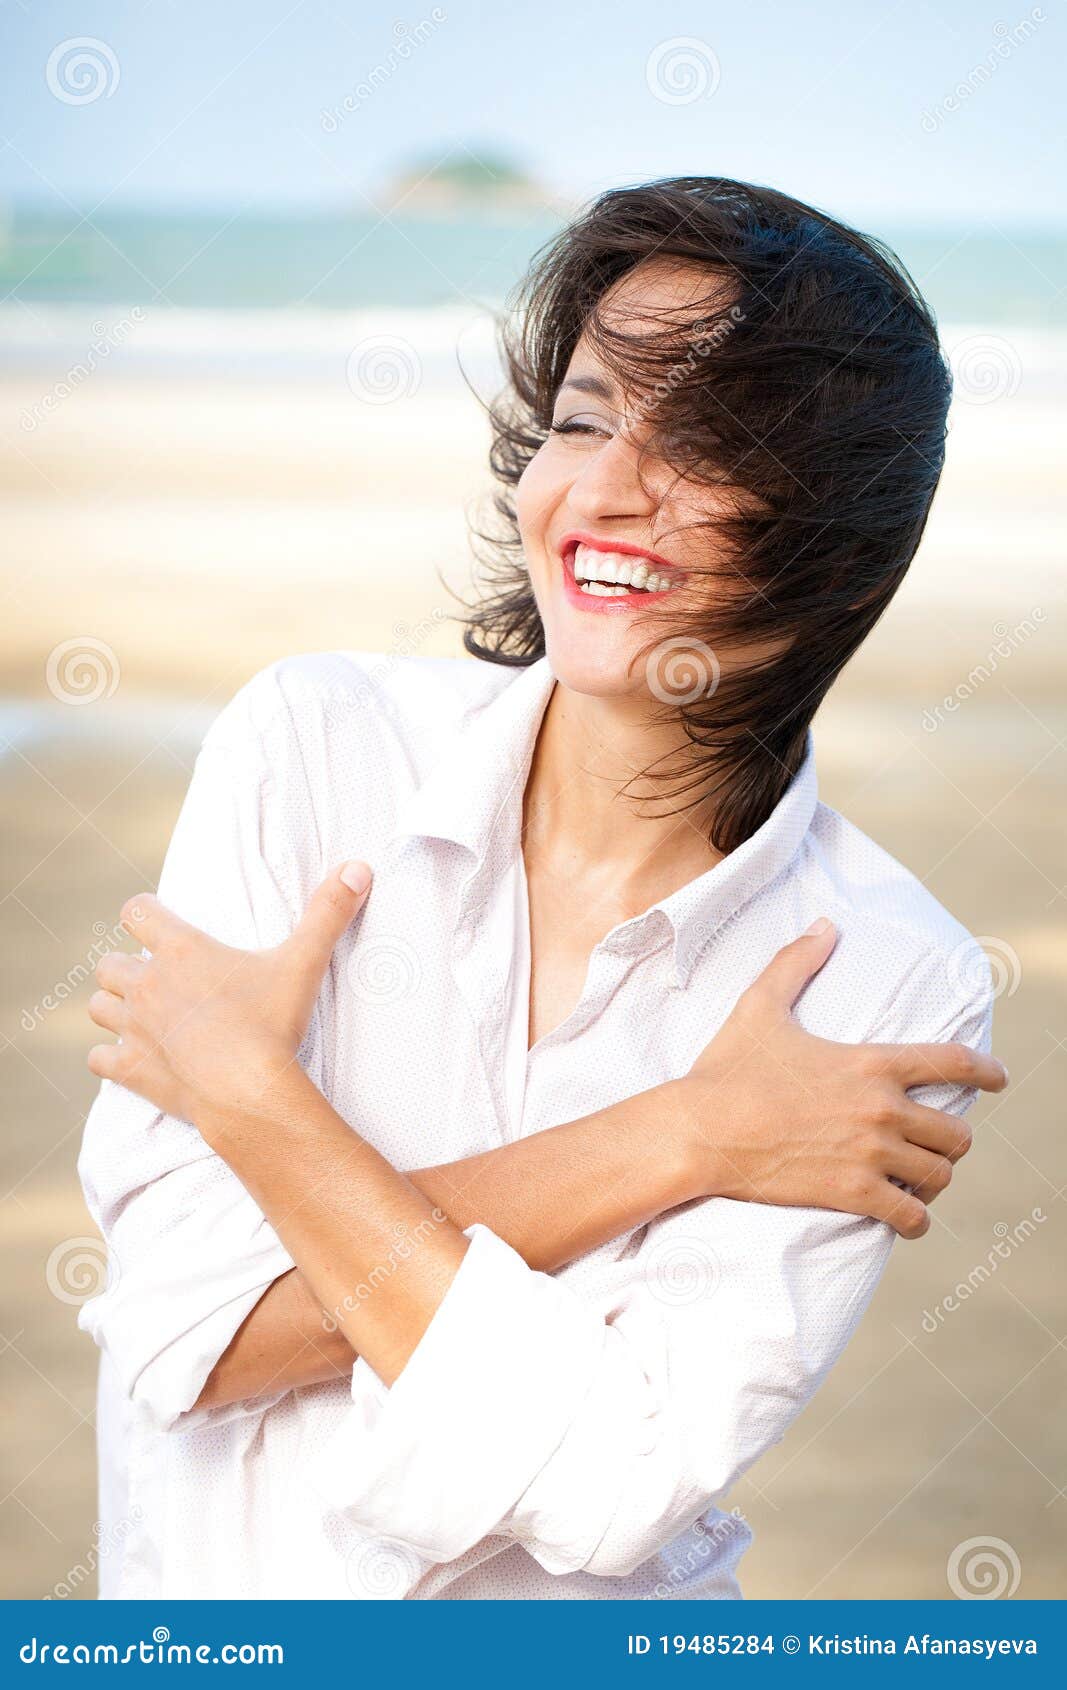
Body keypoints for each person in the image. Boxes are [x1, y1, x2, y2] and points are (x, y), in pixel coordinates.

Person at [77, 177, 1005, 1600]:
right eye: (583, 417)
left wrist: (254, 1104)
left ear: (833, 535)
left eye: (707, 441)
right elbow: (176, 1333)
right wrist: (685, 1135)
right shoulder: (312, 749)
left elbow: (611, 1489)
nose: (607, 487)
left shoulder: (890, 983)